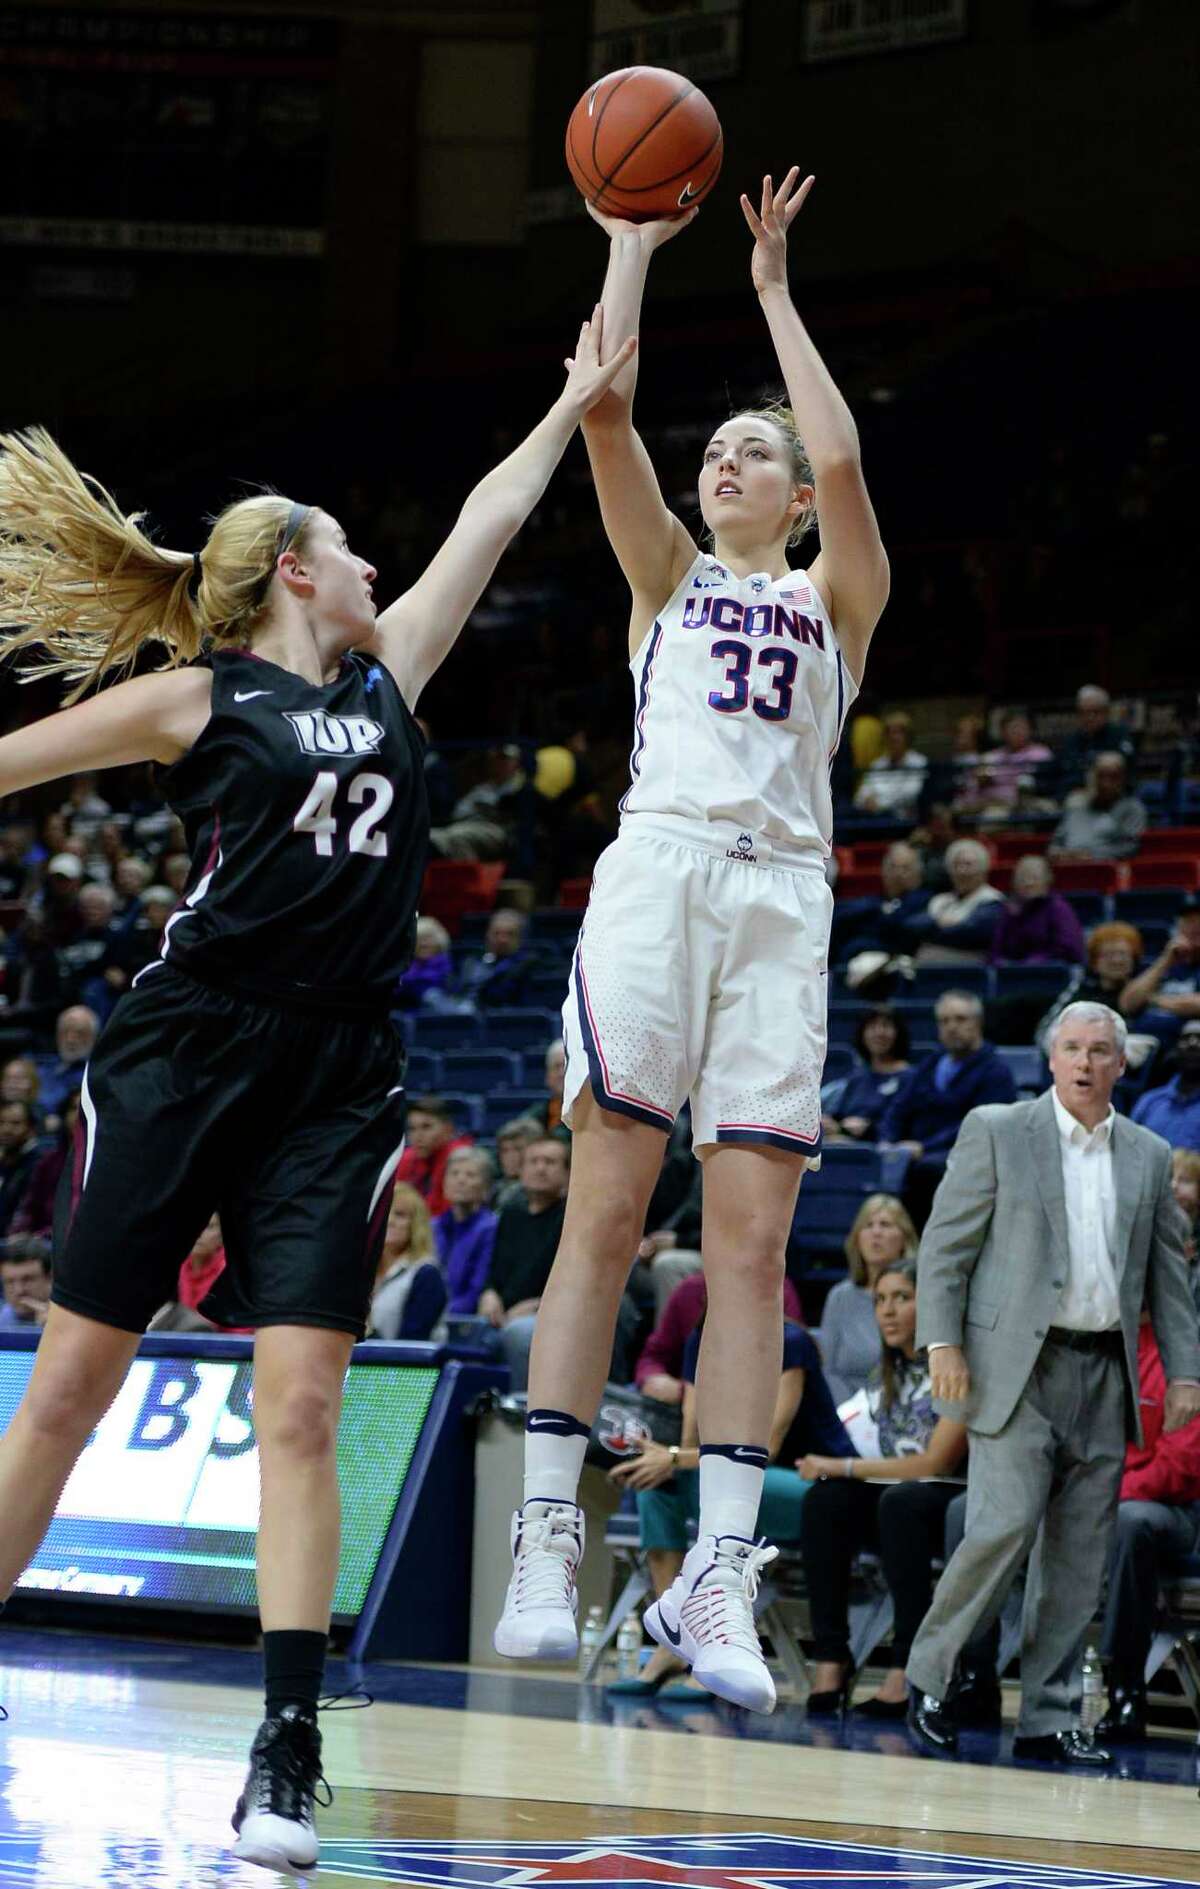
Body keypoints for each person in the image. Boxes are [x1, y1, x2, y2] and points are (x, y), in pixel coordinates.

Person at [0, 312, 635, 1874]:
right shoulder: (203, 701)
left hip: (339, 1075)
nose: (375, 570)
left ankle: (285, 1742)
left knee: (298, 1405)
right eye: (351, 553)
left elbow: (491, 521)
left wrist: (578, 385)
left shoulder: (391, 683)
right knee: (72, 1389)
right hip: (186, 1049)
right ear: (295, 568)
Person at [494, 168, 889, 1717]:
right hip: (661, 878)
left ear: (790, 501)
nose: (727, 460)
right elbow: (605, 413)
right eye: (716, 449)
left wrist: (780, 294)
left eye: (753, 456)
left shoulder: (839, 602)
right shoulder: (665, 579)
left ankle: (718, 1573)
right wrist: (630, 248)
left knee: (748, 1252)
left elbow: (846, 453)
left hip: (786, 898)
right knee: (602, 1215)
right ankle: (545, 1530)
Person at [905, 1002, 1200, 1766]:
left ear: (1121, 1064)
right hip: (1014, 1368)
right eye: (1071, 1047)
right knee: (1001, 1523)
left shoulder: (1148, 1151)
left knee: (1079, 1551)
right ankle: (932, 1675)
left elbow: (1169, 1277)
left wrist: (1186, 1371)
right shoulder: (999, 1129)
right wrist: (943, 1340)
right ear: (1050, 1057)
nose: (1084, 1061)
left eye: (1099, 1050)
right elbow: (943, 1246)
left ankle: (1050, 1714)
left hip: (1106, 1369)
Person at [608, 1308, 852, 1698]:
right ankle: (678, 1639)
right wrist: (668, 1460)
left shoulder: (790, 1342)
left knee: (721, 1486)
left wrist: (672, 1458)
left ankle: (710, 1643)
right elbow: (691, 1438)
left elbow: (766, 1449)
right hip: (739, 1476)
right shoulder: (699, 1339)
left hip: (809, 1482)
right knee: (656, 1488)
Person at [799, 1262, 967, 1717]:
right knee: (826, 1500)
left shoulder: (955, 1363)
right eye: (880, 1300)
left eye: (902, 1298)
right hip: (899, 1498)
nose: (888, 1312)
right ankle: (831, 1656)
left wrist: (843, 1464)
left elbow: (937, 1462)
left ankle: (905, 1664)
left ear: (929, 1304)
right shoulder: (887, 1372)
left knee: (899, 1502)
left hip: (952, 1496)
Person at [1094, 1309, 1200, 1742]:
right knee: (968, 1510)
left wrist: (1099, 1499)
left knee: (1129, 1523)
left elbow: (1181, 1466)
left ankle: (1125, 1686)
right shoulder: (1089, 1347)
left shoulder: (1185, 1353)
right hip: (1095, 1502)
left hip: (1170, 1509)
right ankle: (973, 1677)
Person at [877, 991, 1017, 1225]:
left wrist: (923, 1147)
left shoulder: (996, 1071)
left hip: (962, 1156)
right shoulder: (929, 1065)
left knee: (924, 1171)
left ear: (978, 1023)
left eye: (960, 1019)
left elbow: (978, 1126)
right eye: (944, 1021)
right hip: (914, 1154)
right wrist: (886, 1141)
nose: (952, 1027)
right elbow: (898, 1109)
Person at [634, 1270, 806, 1409]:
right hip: (689, 1407)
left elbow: (772, 1444)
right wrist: (654, 1378)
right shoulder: (693, 1307)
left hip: (758, 1413)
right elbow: (654, 1355)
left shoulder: (779, 1299)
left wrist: (672, 1454)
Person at [478, 1136, 570, 1392]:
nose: (540, 1168)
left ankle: (520, 1413)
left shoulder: (572, 1217)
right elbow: (493, 1269)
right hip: (503, 1312)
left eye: (550, 1162)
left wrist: (541, 1304)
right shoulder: (510, 1213)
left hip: (551, 1313)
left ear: (567, 1173)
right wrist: (489, 1293)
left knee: (518, 1333)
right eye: (533, 1162)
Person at [817, 1194, 918, 1406]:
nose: (876, 1232)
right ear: (857, 1238)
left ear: (904, 1239)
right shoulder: (840, 1296)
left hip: (902, 1406)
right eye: (868, 1225)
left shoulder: (919, 1295)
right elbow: (827, 1371)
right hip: (846, 1411)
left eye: (886, 1224)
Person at [1035, 921, 1145, 1056]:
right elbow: (1045, 1035)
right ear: (1094, 962)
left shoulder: (1147, 989)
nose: (1117, 961)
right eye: (1108, 955)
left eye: (1123, 954)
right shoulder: (1080, 992)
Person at [896, 838, 1004, 966]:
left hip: (968, 973)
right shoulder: (940, 900)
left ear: (984, 868)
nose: (961, 871)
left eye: (968, 864)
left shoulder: (993, 899)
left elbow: (969, 934)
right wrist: (940, 923)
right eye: (956, 865)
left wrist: (930, 928)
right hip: (926, 971)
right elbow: (911, 926)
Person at [1119, 894, 1200, 1055]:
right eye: (1187, 922)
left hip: (1182, 1046)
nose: (1192, 927)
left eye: (1198, 923)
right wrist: (1165, 960)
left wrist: (1153, 1000)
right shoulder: (1163, 964)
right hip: (1139, 1041)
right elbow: (1128, 1004)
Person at [821, 1006, 911, 1144]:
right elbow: (839, 1116)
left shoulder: (911, 1078)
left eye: (886, 1026)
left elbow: (903, 1126)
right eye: (872, 1027)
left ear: (898, 1033)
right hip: (846, 1146)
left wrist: (869, 1128)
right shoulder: (856, 1079)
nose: (879, 1033)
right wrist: (832, 1125)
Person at [368, 1185, 446, 1341]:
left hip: (403, 1364)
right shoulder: (363, 1269)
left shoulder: (426, 1274)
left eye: (400, 1215)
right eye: (384, 1213)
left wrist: (368, 1331)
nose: (390, 1220)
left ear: (416, 1225)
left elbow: (411, 1346)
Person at [831, 842, 929, 966]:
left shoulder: (923, 900)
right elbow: (839, 917)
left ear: (918, 874)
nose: (898, 873)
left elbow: (898, 927)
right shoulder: (872, 900)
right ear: (883, 870)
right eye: (893, 867)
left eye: (905, 868)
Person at [954, 708, 1053, 820]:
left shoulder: (1041, 753)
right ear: (1003, 732)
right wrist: (982, 779)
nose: (1017, 732)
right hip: (994, 804)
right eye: (1012, 728)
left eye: (1021, 727)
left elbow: (1046, 785)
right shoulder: (991, 757)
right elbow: (977, 786)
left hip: (1029, 803)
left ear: (1029, 729)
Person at [433, 1146, 499, 1315]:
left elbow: (478, 1287)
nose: (460, 1180)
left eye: (471, 1175)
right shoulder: (432, 1226)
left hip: (463, 1320)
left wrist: (439, 1316)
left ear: (486, 1187)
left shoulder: (491, 1228)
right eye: (454, 1173)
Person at [1049, 753, 1146, 862]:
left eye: (1113, 776)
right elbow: (1056, 843)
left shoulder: (1132, 808)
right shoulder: (1076, 805)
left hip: (1104, 870)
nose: (1106, 783)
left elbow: (1130, 847)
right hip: (1065, 866)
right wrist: (1057, 853)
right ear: (1091, 776)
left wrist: (1091, 856)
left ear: (1123, 779)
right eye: (1101, 775)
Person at [989, 855, 1086, 966]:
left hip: (1050, 974)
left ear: (1048, 879)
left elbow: (1070, 950)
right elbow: (995, 951)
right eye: (1022, 878)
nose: (1028, 883)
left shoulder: (1058, 909)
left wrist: (1034, 962)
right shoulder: (1008, 911)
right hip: (1011, 976)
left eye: (1034, 877)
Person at [9, 1091, 80, 1237]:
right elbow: (30, 1208)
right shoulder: (49, 1161)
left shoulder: (104, 1163)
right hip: (38, 1240)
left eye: (84, 1109)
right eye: (74, 1108)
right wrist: (19, 1236)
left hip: (73, 1239)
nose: (79, 1115)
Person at [394, 1094, 474, 1218]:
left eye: (426, 1127)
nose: (418, 1136)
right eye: (412, 1128)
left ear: (448, 1129)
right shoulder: (405, 1159)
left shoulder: (462, 1159)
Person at [1130, 1020, 1200, 1150]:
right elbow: (1129, 1148)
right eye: (1186, 1038)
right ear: (1175, 1050)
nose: (1193, 1044)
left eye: (1199, 1038)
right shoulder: (1149, 1101)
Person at [1057, 684, 1137, 791]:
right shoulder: (1072, 740)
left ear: (1106, 712)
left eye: (1095, 712)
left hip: (1116, 793)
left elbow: (1127, 768)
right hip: (1080, 791)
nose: (1090, 717)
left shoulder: (1119, 734)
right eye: (1084, 712)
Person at [458, 908, 539, 1009]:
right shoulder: (471, 962)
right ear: (487, 936)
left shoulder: (529, 964)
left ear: (521, 938)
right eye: (497, 934)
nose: (502, 940)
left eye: (510, 934)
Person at [852, 712, 927, 820]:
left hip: (905, 822)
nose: (893, 737)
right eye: (889, 732)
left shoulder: (919, 762)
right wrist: (867, 801)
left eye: (898, 732)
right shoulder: (877, 765)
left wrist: (879, 804)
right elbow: (859, 798)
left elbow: (911, 795)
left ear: (908, 736)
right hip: (877, 821)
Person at [36, 1003, 98, 1117]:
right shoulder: (41, 1068)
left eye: (79, 1033)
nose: (70, 1039)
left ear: (93, 1037)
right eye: (65, 1032)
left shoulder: (97, 1072)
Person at [393, 915, 454, 1012]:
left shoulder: (448, 964)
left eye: (428, 938)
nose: (423, 944)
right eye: (419, 939)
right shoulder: (403, 965)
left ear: (439, 940)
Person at [0, 1100, 39, 1237]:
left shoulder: (39, 1163)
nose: (6, 1129)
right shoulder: (5, 1161)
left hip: (21, 1241)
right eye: (1, 1122)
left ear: (31, 1128)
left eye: (15, 1124)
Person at [0, 1235, 53, 1332]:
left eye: (28, 1279)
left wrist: (56, 1330)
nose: (19, 1290)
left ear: (49, 1278)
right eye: (9, 1281)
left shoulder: (75, 1319)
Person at [492, 1115, 541, 1211]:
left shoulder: (541, 1190)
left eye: (518, 1149)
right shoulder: (494, 1190)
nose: (510, 1156)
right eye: (504, 1150)